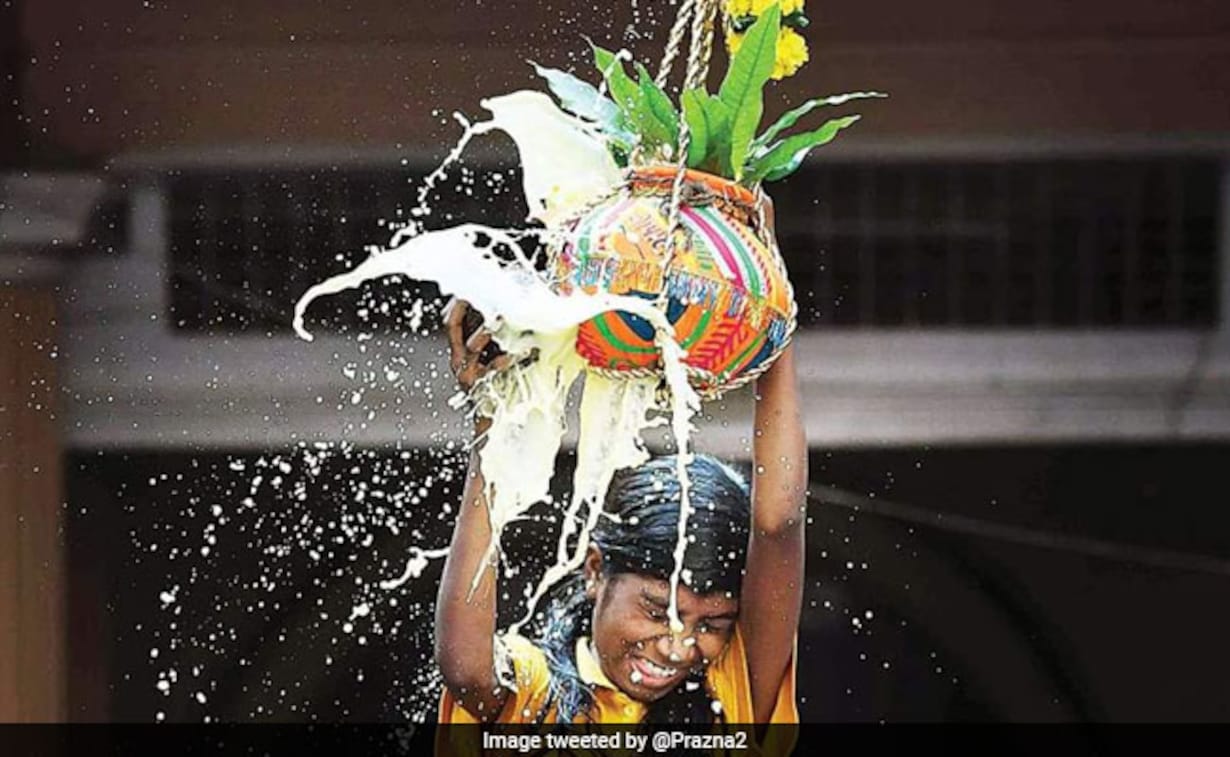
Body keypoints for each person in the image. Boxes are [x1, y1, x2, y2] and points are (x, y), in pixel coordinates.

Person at [434, 299, 808, 725]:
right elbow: (465, 668)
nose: (678, 647)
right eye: (657, 611)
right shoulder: (536, 695)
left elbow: (779, 525)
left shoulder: (729, 699)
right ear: (595, 570)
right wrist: (492, 417)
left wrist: (773, 306)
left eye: (712, 625)